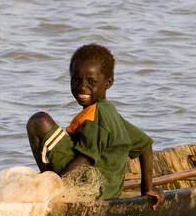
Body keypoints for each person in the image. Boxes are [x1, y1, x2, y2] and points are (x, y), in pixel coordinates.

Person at [25, 44, 161, 207]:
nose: (82, 86)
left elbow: (85, 159)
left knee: (39, 121)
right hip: (109, 191)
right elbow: (145, 145)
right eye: (76, 79)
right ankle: (50, 180)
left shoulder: (97, 115)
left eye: (91, 81)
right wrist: (147, 188)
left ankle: (49, 183)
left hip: (89, 188)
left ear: (108, 83)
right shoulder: (109, 112)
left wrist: (54, 188)